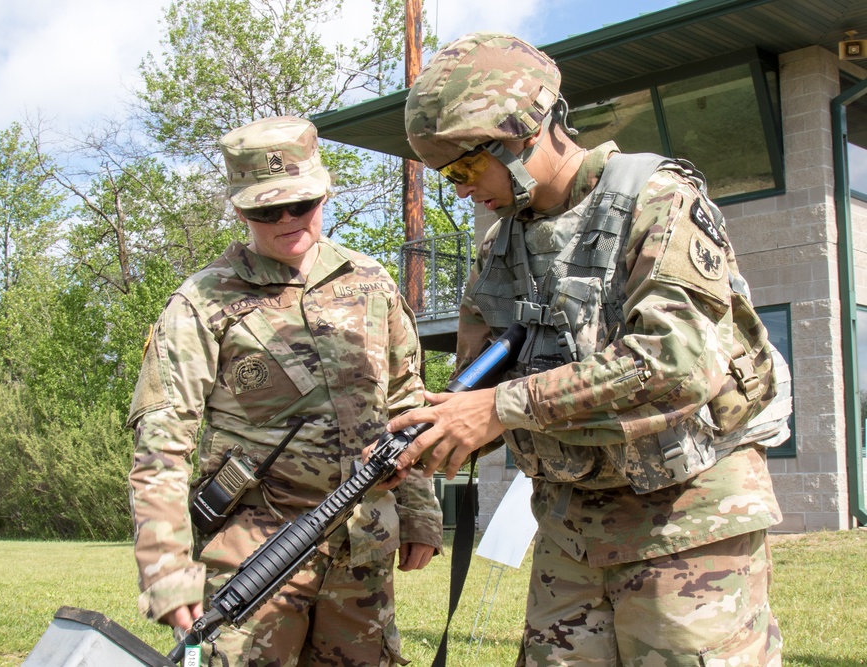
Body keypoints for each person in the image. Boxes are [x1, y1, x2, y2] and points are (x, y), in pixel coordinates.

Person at [386, 32, 786, 666]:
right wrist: (432, 435)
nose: (461, 190)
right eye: (447, 175)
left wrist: (502, 409)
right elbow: (479, 393)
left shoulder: (658, 198)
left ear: (525, 131)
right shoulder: (499, 250)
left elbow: (676, 362)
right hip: (570, 538)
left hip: (686, 528)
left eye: (466, 167)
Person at [127, 115, 442, 667]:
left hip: (362, 547)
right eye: (266, 210)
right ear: (239, 209)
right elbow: (162, 442)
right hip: (257, 553)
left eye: (303, 204)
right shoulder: (203, 301)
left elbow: (405, 403)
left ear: (325, 193)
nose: (288, 220)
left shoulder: (371, 282)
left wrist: (419, 512)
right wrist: (167, 569)